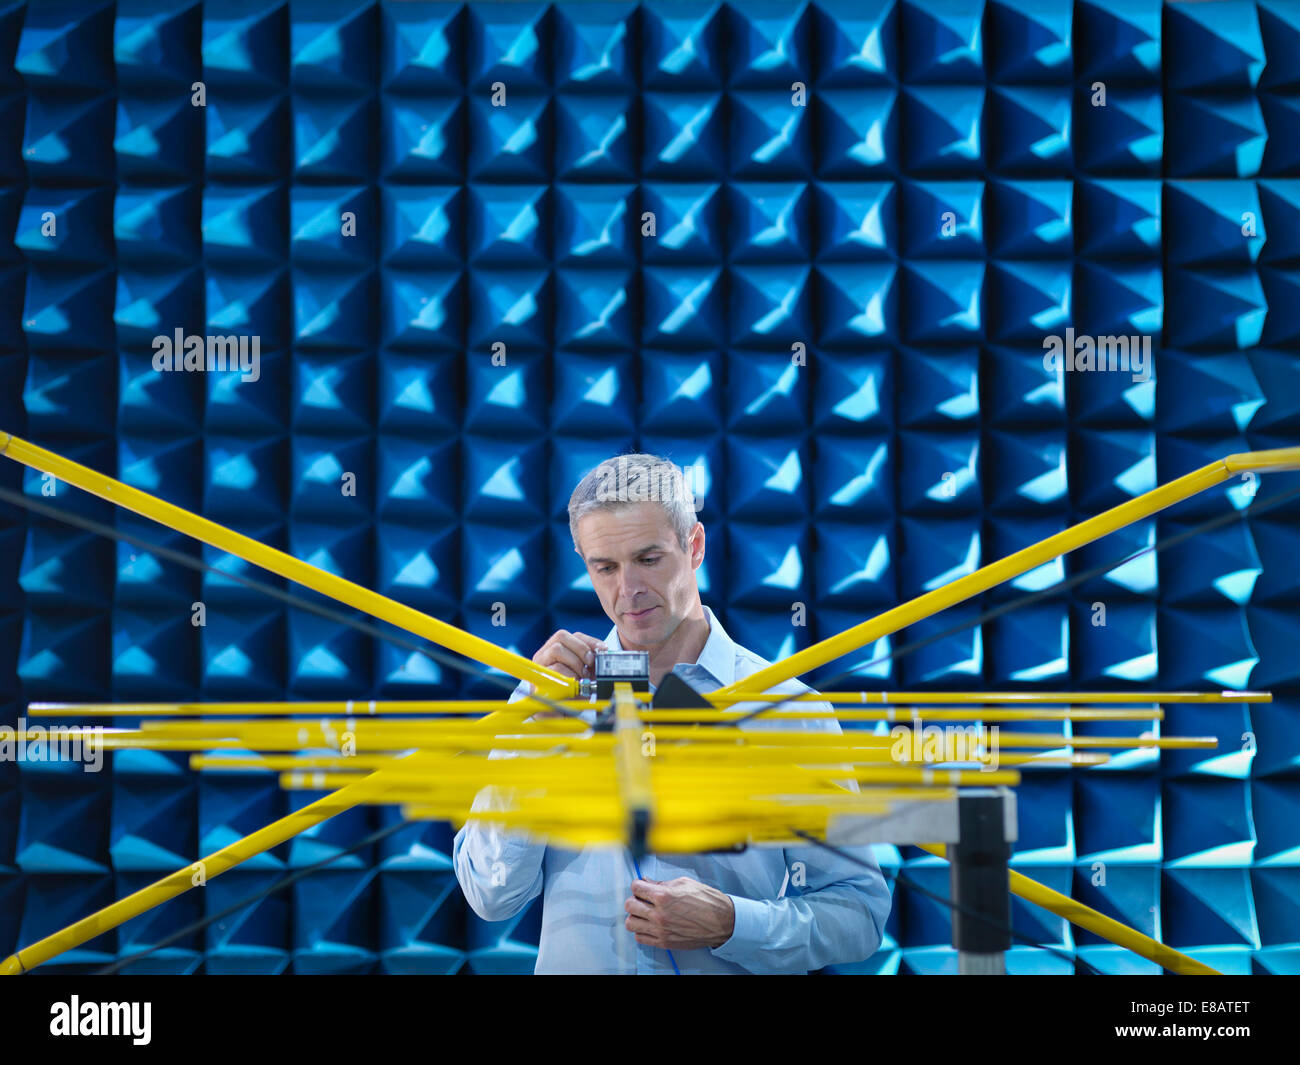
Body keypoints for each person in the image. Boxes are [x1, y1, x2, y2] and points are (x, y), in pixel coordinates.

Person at [452, 453, 892, 973]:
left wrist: (734, 923)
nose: (628, 590)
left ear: (695, 546)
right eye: (606, 567)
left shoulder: (784, 710)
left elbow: (860, 912)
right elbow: (489, 896)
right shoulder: (546, 702)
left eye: (649, 558)